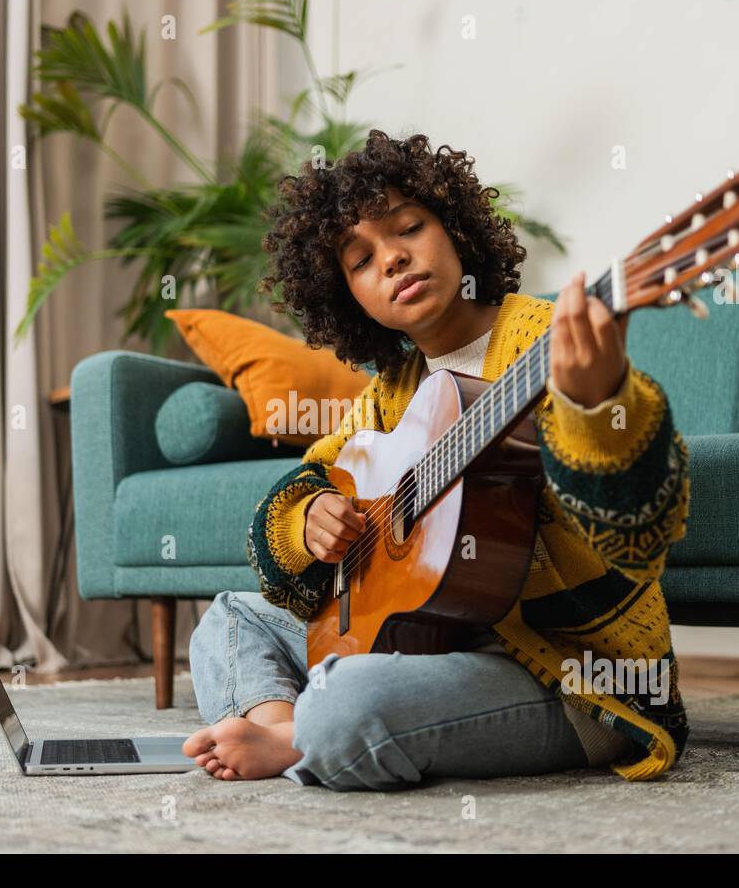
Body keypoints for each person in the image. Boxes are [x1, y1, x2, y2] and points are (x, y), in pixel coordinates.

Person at [181, 130, 691, 790]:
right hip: (427, 649)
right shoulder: (390, 391)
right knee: (229, 616)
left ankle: (299, 731)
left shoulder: (544, 341)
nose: (392, 260)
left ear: (455, 231)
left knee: (348, 703)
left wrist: (598, 406)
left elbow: (643, 535)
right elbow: (305, 484)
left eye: (409, 229)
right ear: (347, 297)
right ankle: (286, 730)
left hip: (571, 678)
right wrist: (310, 516)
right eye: (360, 260)